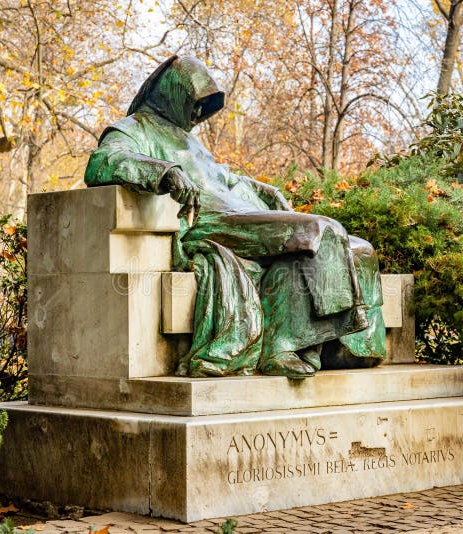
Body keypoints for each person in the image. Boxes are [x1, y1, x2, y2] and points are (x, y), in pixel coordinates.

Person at [85, 56, 386, 379]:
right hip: (211, 223)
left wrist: (264, 189)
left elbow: (223, 179)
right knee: (322, 230)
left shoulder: (189, 139)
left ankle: (347, 346)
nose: (198, 114)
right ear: (172, 94)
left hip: (243, 215)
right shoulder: (135, 128)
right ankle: (281, 346)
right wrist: (165, 173)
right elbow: (103, 162)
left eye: (205, 106)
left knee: (360, 249)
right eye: (195, 103)